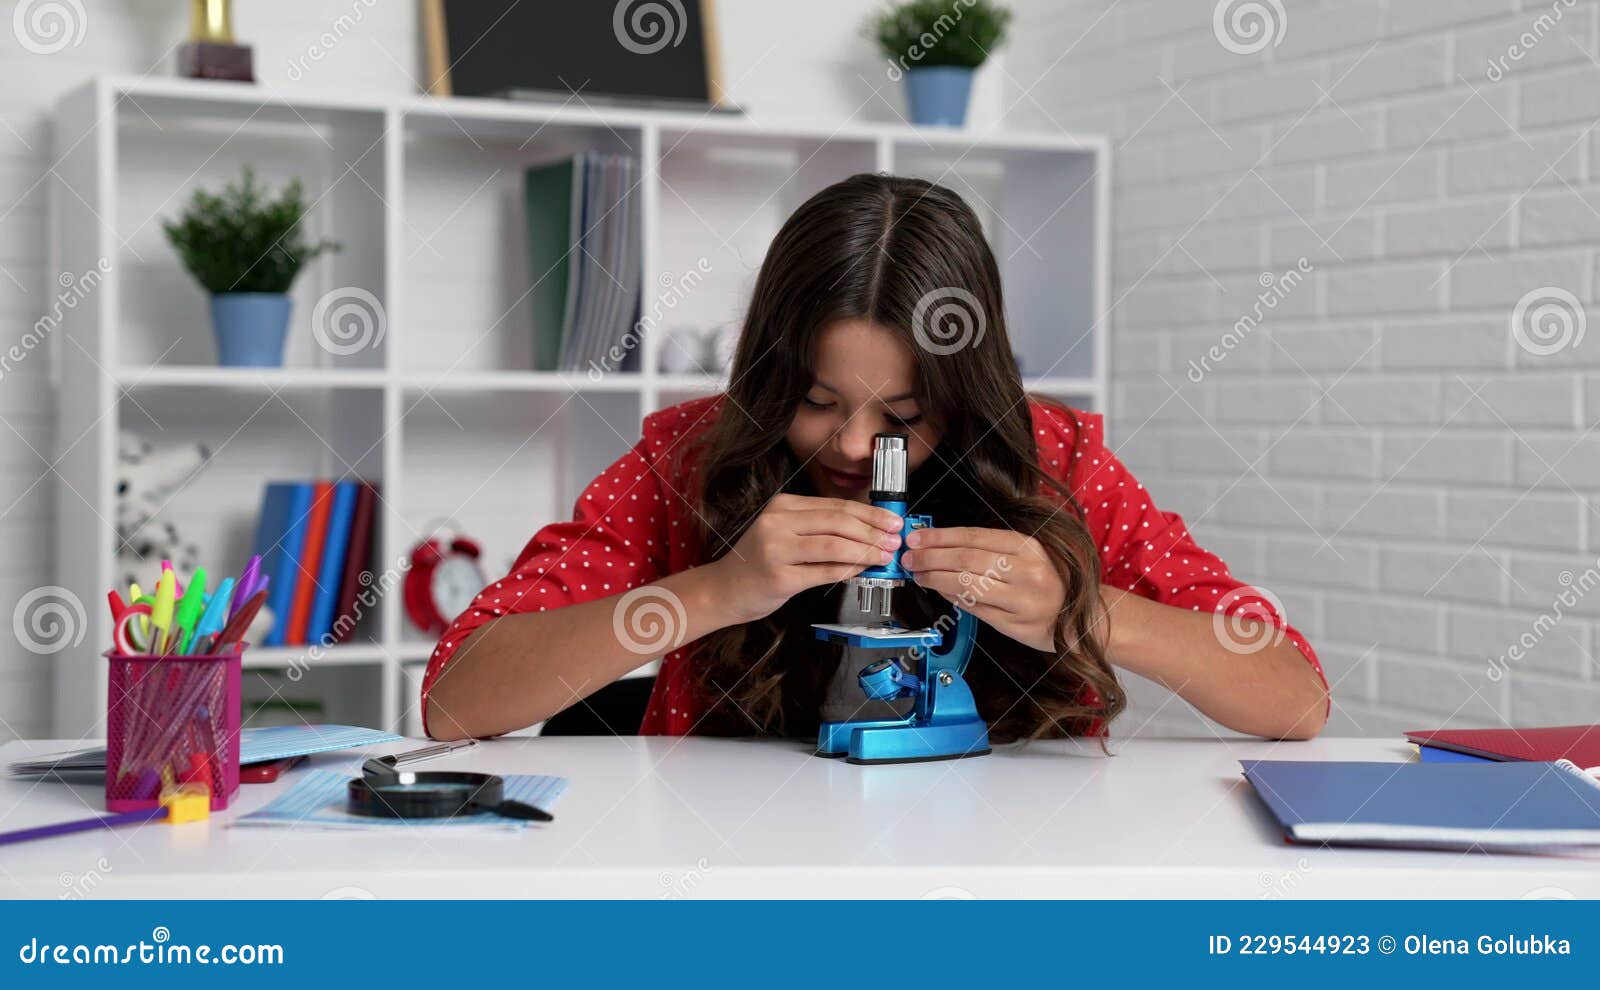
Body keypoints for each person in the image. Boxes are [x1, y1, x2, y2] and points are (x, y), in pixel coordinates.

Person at [421, 173, 1328, 744]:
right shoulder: (685, 452)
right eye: (815, 403)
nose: (855, 447)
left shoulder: (1059, 455)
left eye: (903, 414)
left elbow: (1294, 697)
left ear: (966, 391)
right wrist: (713, 592)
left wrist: (1079, 612)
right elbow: (457, 698)